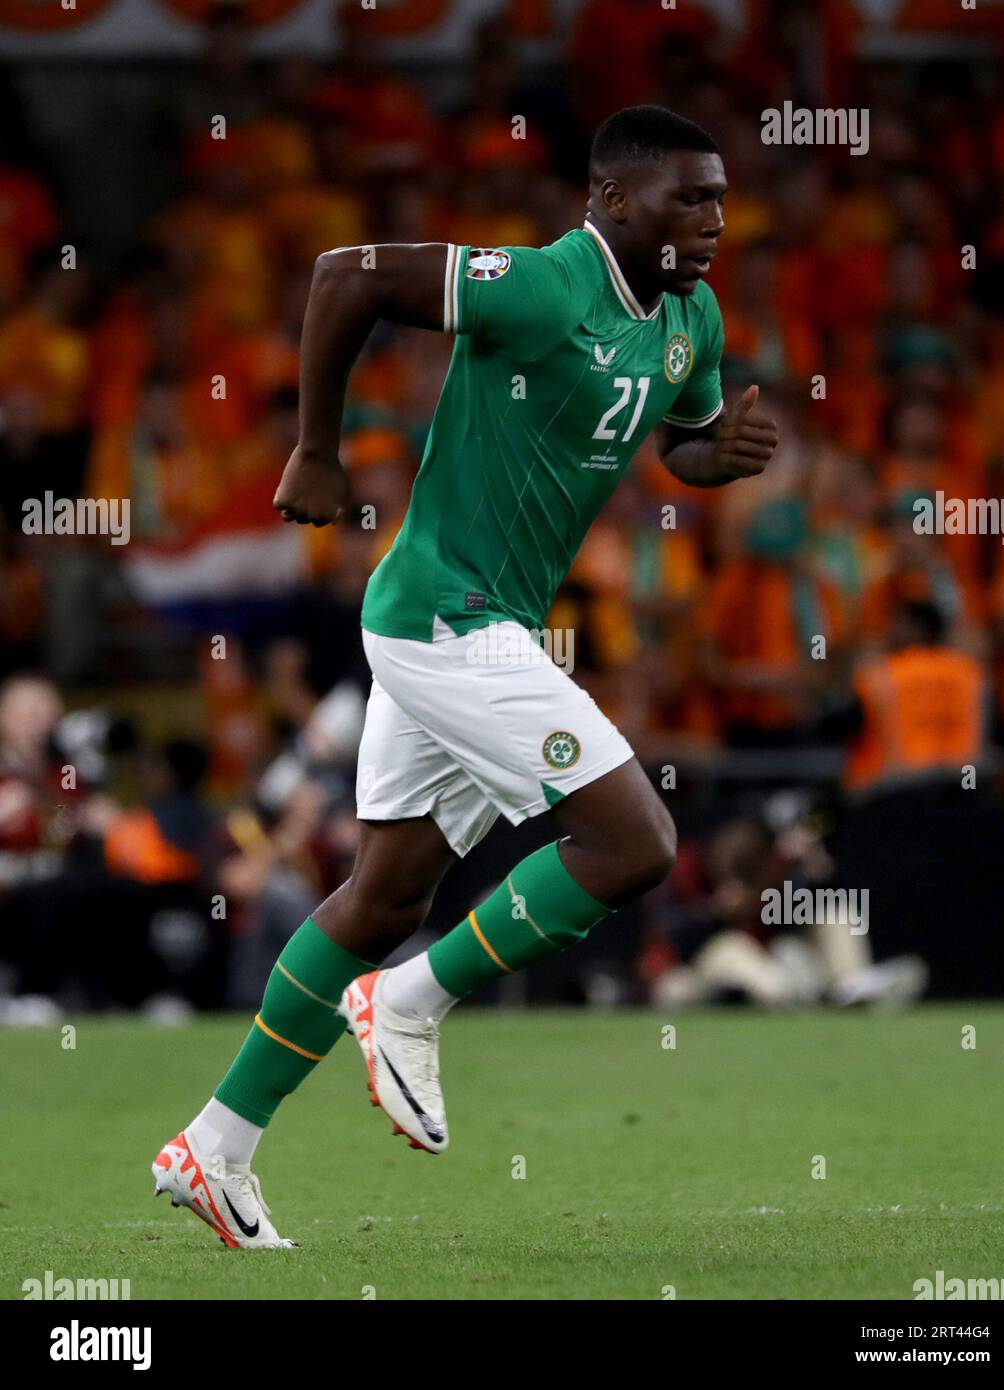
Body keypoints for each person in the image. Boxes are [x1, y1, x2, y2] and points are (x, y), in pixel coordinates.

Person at [153, 105, 779, 1249]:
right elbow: (346, 275)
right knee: (635, 845)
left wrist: (712, 460)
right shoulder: (539, 286)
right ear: (609, 202)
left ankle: (214, 1145)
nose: (713, 217)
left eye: (720, 196)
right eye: (688, 196)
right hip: (444, 618)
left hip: (482, 625)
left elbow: (677, 439)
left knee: (379, 897)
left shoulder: (689, 317)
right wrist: (317, 446)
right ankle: (409, 999)